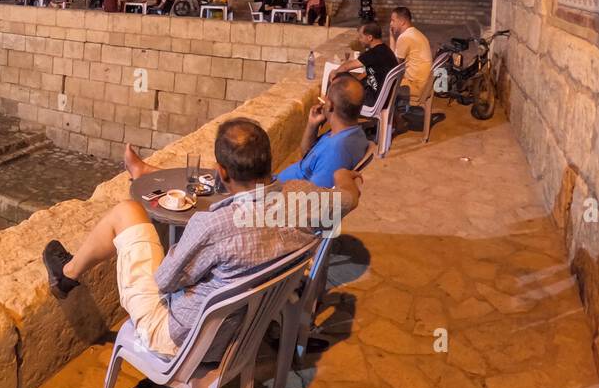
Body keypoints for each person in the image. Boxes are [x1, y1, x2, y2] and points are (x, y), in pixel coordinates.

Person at [42, 119, 361, 358]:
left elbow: (164, 281)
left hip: (187, 340)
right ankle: (147, 173)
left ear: (222, 173)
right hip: (248, 330)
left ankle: (66, 275)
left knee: (126, 211)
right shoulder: (304, 199)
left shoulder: (212, 227)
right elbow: (349, 198)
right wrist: (342, 175)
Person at [276, 75, 369, 187]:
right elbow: (306, 154)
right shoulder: (352, 133)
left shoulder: (335, 151)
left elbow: (314, 197)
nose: (323, 99)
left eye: (327, 96)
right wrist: (312, 125)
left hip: (281, 195)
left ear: (329, 105)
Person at [332, 22, 399, 104]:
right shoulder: (385, 50)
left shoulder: (373, 54)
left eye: (361, 36)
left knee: (339, 75)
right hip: (383, 97)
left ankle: (332, 106)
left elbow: (346, 67)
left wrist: (334, 73)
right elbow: (371, 72)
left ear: (370, 37)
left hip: (373, 99)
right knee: (350, 80)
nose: (359, 39)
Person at [390, 6, 432, 108]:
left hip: (415, 86)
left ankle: (385, 119)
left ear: (402, 22)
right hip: (424, 84)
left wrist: (391, 37)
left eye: (393, 20)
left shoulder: (405, 37)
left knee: (381, 84)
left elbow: (393, 64)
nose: (391, 24)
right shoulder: (416, 33)